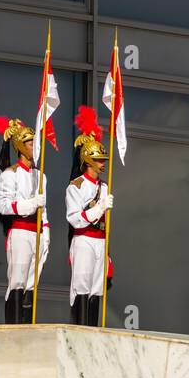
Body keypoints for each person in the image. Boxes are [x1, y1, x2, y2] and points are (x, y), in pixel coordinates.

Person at [0, 115, 48, 323]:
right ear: (20, 145)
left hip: (37, 232)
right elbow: (3, 205)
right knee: (18, 281)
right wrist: (29, 205)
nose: (35, 147)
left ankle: (27, 326)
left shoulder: (41, 176)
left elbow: (43, 210)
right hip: (20, 231)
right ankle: (14, 327)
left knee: (31, 282)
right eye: (30, 143)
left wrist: (46, 231)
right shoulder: (10, 174)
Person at [66, 105, 114, 326]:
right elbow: (75, 218)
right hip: (84, 238)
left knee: (97, 289)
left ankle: (93, 332)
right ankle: (80, 329)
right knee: (82, 286)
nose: (103, 163)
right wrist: (99, 208)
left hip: (100, 240)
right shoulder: (75, 186)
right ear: (88, 160)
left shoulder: (104, 186)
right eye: (99, 159)